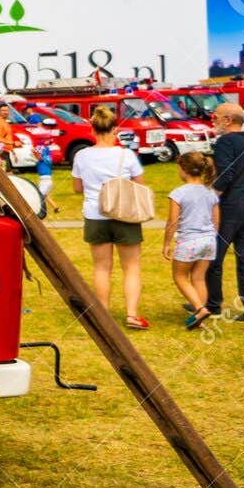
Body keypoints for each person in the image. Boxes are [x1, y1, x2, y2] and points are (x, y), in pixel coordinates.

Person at [71, 104, 149, 328]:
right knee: (131, 267)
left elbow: (77, 188)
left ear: (92, 130)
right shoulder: (126, 155)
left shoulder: (82, 156)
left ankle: (103, 314)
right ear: (115, 129)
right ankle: (132, 314)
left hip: (95, 214)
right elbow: (140, 184)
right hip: (125, 214)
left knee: (102, 267)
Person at [205, 102, 244, 322]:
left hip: (230, 207)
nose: (213, 121)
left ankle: (212, 305)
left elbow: (226, 175)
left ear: (228, 120)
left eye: (215, 117)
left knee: (214, 258)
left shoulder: (225, 142)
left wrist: (209, 198)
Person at [163, 152, 219, 329]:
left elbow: (172, 222)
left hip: (188, 241)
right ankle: (199, 318)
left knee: (180, 277)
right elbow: (216, 221)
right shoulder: (210, 192)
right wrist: (211, 236)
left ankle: (200, 309)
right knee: (199, 278)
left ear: (184, 169)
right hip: (209, 240)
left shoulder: (178, 193)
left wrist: (166, 243)